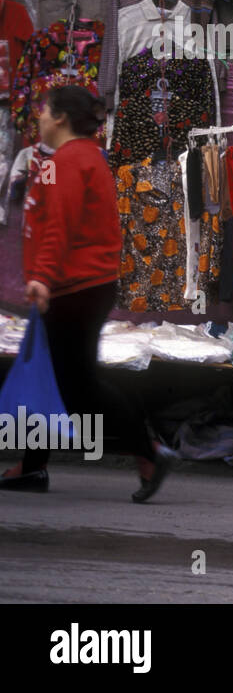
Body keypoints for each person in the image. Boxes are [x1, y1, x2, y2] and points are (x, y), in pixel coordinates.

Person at [1, 86, 180, 500]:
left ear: (61, 118)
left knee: (77, 384)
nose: (39, 117)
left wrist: (42, 277)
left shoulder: (71, 161)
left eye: (44, 111)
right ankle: (31, 466)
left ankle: (149, 451)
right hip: (73, 285)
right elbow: (43, 208)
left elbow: (59, 224)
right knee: (53, 375)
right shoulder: (67, 159)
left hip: (72, 287)